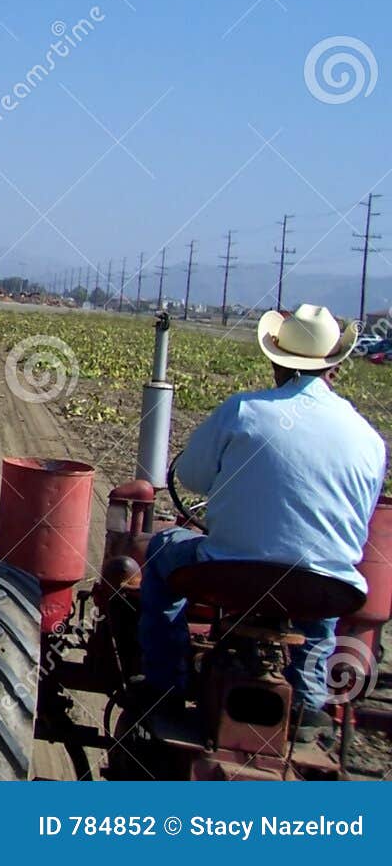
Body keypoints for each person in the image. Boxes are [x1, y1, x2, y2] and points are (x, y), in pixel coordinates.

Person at [137, 304, 386, 738]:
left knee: (162, 551)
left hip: (233, 574)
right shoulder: (368, 438)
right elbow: (360, 519)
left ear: (276, 362)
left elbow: (192, 477)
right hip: (323, 586)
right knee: (324, 590)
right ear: (335, 368)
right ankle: (308, 704)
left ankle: (166, 686)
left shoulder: (244, 411)